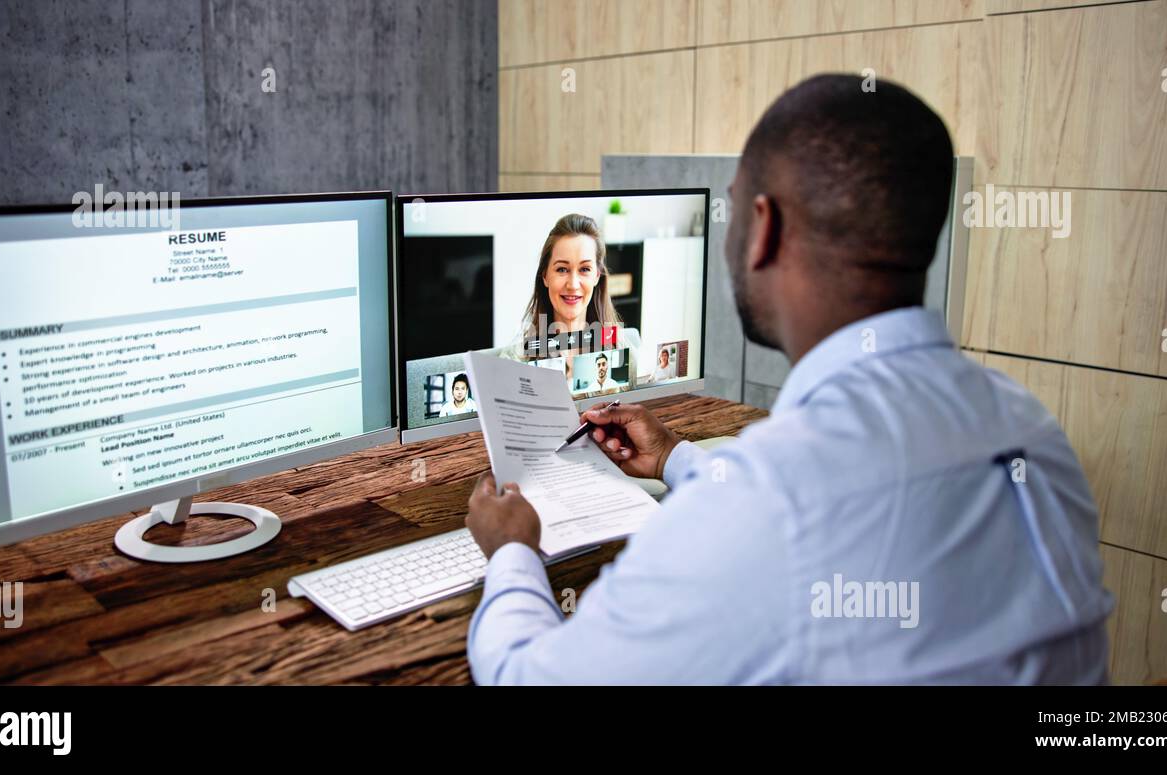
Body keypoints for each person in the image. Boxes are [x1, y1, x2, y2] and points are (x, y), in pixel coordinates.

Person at [463, 74, 1113, 684]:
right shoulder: (1032, 430)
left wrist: (512, 551)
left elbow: (528, 674)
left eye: (733, 210)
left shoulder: (764, 503)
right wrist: (676, 458)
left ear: (764, 229)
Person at [497, 213, 640, 363]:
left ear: (597, 276)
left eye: (584, 269)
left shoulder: (622, 350)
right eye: (562, 269)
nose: (572, 285)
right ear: (545, 276)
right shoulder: (518, 357)